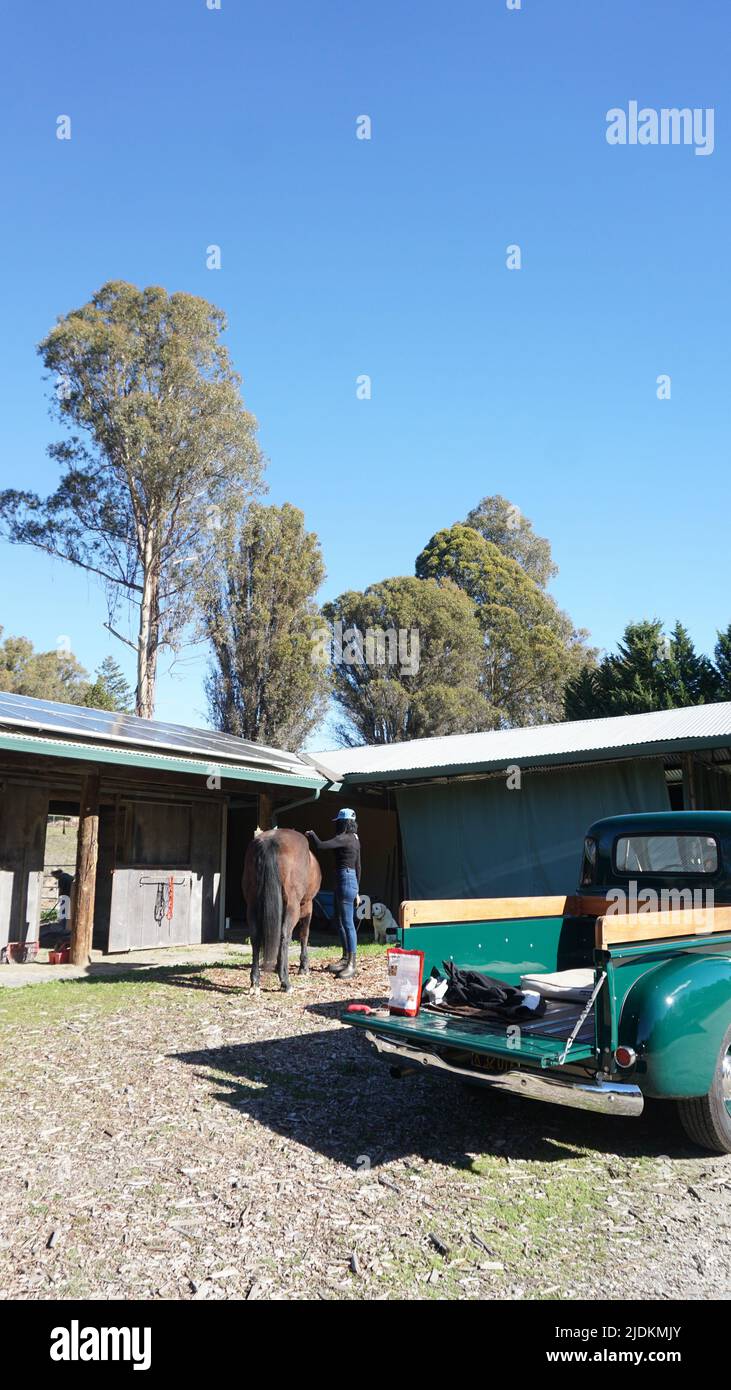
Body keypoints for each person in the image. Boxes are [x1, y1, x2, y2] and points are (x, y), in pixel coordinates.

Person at [306, 809, 361, 980]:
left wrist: (312, 834)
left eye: (338, 822)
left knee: (347, 923)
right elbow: (359, 866)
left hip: (345, 879)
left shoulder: (345, 838)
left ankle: (352, 964)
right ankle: (345, 958)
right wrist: (357, 890)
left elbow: (321, 845)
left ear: (343, 823)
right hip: (345, 879)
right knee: (338, 920)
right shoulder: (354, 839)